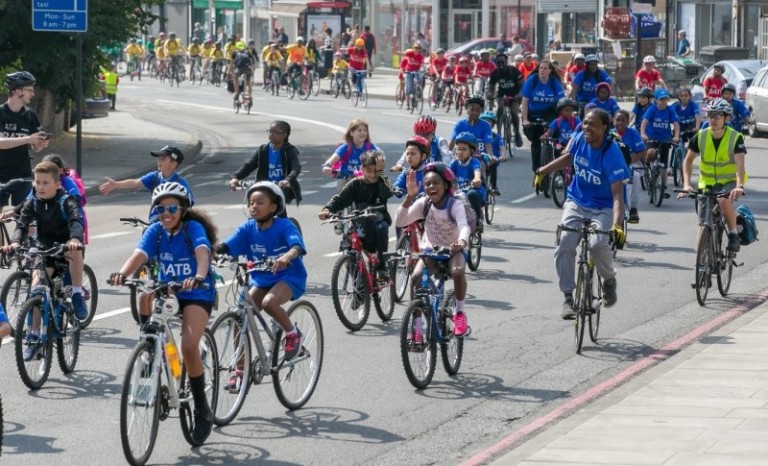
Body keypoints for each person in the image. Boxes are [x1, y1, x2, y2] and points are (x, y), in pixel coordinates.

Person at [108, 182, 217, 446]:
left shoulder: (193, 229)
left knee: (189, 347)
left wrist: (199, 276)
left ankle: (202, 409)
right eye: (160, 208)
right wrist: (122, 273)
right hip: (167, 289)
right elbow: (139, 255)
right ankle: (149, 345)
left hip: (196, 292)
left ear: (182, 209)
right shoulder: (156, 231)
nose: (165, 213)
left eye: (171, 208)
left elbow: (203, 254)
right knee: (145, 296)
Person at [533, 108, 630, 319]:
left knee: (597, 244)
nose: (586, 127)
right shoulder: (579, 139)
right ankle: (568, 297)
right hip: (576, 201)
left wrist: (618, 225)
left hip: (603, 206)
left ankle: (609, 280)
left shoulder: (611, 153)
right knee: (565, 242)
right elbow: (569, 157)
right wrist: (543, 170)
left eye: (592, 125)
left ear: (604, 128)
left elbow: (617, 196)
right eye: (585, 123)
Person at [215, 181, 306, 366]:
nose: (254, 206)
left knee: (269, 303)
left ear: (273, 206)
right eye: (251, 202)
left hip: (288, 277)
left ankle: (292, 333)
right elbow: (227, 245)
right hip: (261, 280)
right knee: (240, 316)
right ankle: (240, 371)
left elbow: (296, 246)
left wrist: (287, 256)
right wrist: (208, 252)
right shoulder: (247, 228)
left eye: (260, 202)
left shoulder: (284, 225)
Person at [4, 161, 88, 321]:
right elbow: (22, 225)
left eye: (45, 183)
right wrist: (15, 242)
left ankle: (77, 294)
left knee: (75, 250)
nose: (40, 187)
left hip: (65, 245)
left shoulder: (67, 201)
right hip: (45, 248)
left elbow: (76, 222)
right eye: (37, 182)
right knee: (36, 291)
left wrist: (75, 239)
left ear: (57, 184)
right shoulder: (32, 202)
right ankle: (34, 338)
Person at [395, 162, 470, 337]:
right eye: (427, 184)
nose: (431, 187)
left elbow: (464, 226)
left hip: (454, 250)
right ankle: (418, 327)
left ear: (445, 185)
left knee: (458, 272)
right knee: (416, 277)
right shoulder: (424, 203)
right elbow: (400, 222)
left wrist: (461, 242)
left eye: (436, 183)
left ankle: (460, 314)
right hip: (432, 252)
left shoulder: (454, 204)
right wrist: (409, 197)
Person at [678, 98, 746, 254]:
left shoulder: (735, 137)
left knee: (723, 200)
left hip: (729, 182)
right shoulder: (701, 136)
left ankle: (734, 234)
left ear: (727, 118)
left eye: (717, 116)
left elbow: (740, 164)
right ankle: (702, 263)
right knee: (703, 223)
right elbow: (687, 161)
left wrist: (739, 185)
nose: (712, 119)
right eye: (710, 115)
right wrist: (687, 185)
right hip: (706, 184)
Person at [318, 151, 395, 283]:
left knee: (381, 229)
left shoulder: (381, 182)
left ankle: (382, 268)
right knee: (348, 245)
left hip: (377, 221)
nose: (372, 174)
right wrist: (327, 209)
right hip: (359, 222)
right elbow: (340, 198)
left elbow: (389, 192)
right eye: (368, 170)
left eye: (376, 171)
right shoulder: (355, 184)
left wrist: (381, 175)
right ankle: (358, 286)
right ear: (362, 168)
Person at [228, 121, 302, 215]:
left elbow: (296, 167)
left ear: (284, 135)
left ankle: (285, 226)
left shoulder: (289, 150)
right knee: (256, 210)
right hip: (264, 187)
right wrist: (235, 177)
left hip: (282, 188)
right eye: (270, 131)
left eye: (275, 132)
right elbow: (249, 165)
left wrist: (287, 180)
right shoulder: (263, 150)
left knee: (278, 213)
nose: (271, 134)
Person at [99, 145, 194, 217]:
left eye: (163, 159)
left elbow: (188, 206)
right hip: (155, 220)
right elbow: (136, 183)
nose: (159, 161)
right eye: (158, 159)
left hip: (173, 221)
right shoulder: (154, 176)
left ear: (173, 164)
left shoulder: (181, 183)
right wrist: (116, 185)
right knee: (146, 235)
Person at [0, 71, 48, 211]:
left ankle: (26, 234)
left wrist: (39, 144)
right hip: (1, 175)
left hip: (23, 175)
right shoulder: (1, 113)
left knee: (29, 221)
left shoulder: (30, 115)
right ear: (17, 91)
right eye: (29, 90)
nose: (32, 94)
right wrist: (28, 138)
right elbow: (1, 143)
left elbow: (35, 147)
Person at [521, 59, 566, 173]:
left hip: (549, 112)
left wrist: (562, 119)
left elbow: (562, 101)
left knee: (557, 137)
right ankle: (537, 170)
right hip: (533, 113)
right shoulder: (532, 80)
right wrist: (525, 119)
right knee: (536, 140)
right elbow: (525, 101)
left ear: (550, 71)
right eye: (540, 68)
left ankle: (558, 167)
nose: (542, 70)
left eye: (545, 68)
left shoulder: (554, 82)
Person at [641, 88, 680, 198]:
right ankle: (647, 165)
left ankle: (664, 187)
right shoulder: (652, 109)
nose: (664, 101)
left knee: (663, 165)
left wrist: (676, 136)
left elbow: (676, 124)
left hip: (665, 140)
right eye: (661, 99)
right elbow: (644, 123)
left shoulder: (670, 110)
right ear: (656, 100)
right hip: (652, 138)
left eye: (666, 99)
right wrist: (643, 134)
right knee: (651, 152)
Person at [322, 119, 380, 190]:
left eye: (365, 130)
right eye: (359, 130)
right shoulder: (346, 147)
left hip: (364, 179)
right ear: (351, 133)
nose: (363, 132)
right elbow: (333, 158)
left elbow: (379, 161)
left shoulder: (369, 147)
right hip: (345, 178)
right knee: (342, 196)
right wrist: (327, 166)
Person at [613, 110, 647, 223]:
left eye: (623, 120)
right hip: (614, 164)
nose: (620, 122)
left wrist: (629, 160)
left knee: (635, 176)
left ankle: (633, 208)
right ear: (613, 121)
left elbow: (642, 152)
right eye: (617, 120)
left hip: (631, 162)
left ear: (628, 122)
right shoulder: (610, 134)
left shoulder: (633, 133)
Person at [449, 132, 485, 232]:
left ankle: (478, 219)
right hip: (458, 192)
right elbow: (447, 174)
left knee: (471, 194)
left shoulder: (474, 162)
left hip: (473, 191)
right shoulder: (454, 163)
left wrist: (477, 178)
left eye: (464, 149)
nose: (460, 152)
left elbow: (477, 171)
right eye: (458, 149)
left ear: (472, 151)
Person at [479, 111, 505, 193]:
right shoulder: (479, 135)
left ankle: (493, 185)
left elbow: (502, 148)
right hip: (479, 159)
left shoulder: (496, 136)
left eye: (489, 121)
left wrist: (503, 156)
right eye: (484, 121)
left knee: (492, 163)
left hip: (492, 160)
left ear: (493, 124)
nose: (486, 123)